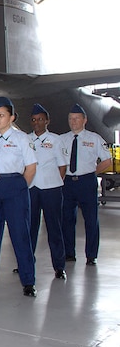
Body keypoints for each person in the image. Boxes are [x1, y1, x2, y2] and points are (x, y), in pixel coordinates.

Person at [0, 97, 37, 297]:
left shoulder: (21, 138)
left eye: (1, 115)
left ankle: (28, 280)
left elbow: (30, 167)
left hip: (14, 187)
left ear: (11, 117)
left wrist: (21, 187)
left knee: (20, 235)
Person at [59, 103, 112, 265]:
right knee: (67, 219)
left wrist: (92, 173)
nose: (73, 122)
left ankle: (91, 255)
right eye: (70, 119)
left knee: (91, 219)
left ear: (85, 120)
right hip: (67, 183)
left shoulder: (94, 139)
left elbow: (107, 160)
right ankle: (69, 253)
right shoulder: (62, 139)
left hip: (87, 182)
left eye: (76, 119)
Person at [28, 103, 67, 279]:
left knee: (54, 227)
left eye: (40, 120)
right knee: (29, 228)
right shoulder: (26, 139)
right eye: (34, 120)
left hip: (51, 189)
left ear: (47, 121)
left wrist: (54, 182)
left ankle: (59, 265)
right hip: (31, 189)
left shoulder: (56, 140)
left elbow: (62, 166)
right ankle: (27, 262)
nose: (37, 123)